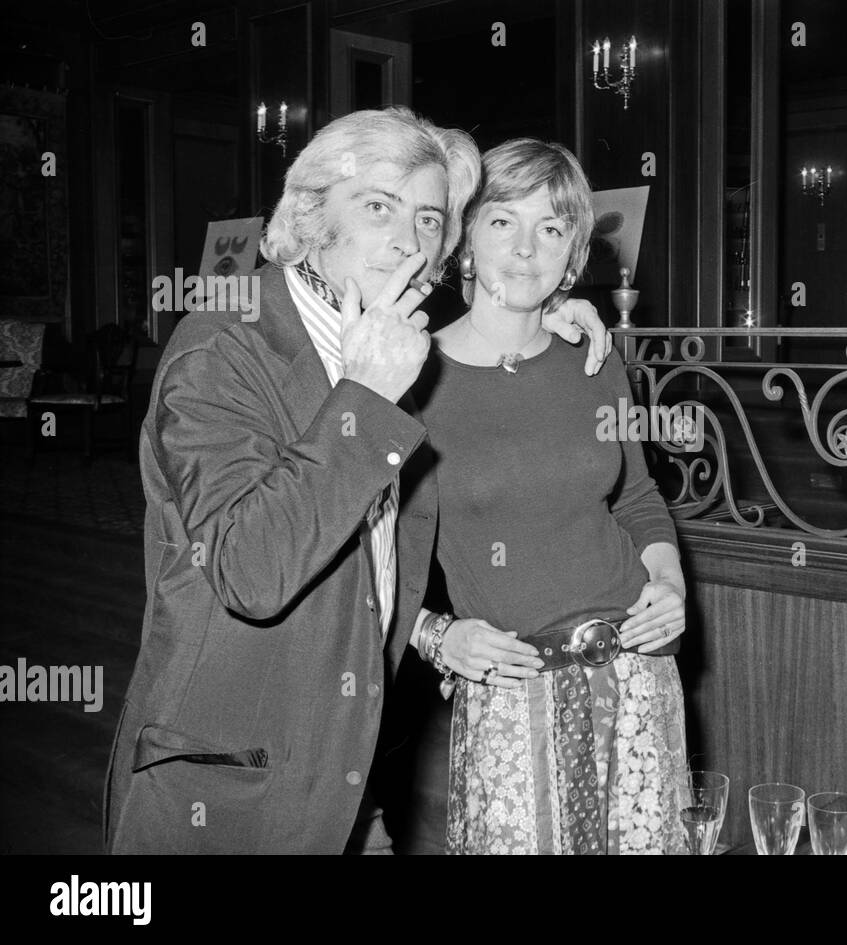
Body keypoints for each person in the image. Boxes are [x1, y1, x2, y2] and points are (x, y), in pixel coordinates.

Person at [103, 108, 610, 854]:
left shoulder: (391, 347)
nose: (408, 238)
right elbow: (252, 570)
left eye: (430, 219)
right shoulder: (226, 345)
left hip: (349, 773)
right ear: (310, 213)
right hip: (232, 789)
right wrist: (366, 398)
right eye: (380, 206)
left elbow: (380, 560)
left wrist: (545, 321)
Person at [413, 138, 690, 855]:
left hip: (636, 673)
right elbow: (366, 557)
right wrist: (438, 635)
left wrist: (667, 580)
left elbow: (636, 498)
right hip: (510, 687)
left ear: (573, 257)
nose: (527, 248)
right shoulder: (409, 379)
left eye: (553, 228)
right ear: (465, 240)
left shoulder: (596, 359)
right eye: (503, 220)